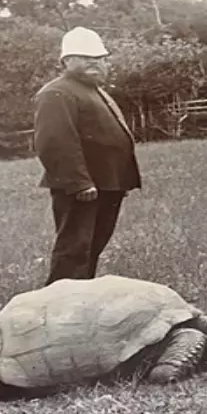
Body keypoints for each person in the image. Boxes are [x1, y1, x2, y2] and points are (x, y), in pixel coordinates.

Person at [33, 26, 141, 285]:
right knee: (73, 250)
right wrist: (79, 182)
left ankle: (82, 301)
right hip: (82, 187)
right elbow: (54, 142)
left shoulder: (93, 90)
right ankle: (60, 306)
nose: (95, 63)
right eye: (85, 58)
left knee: (92, 247)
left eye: (100, 58)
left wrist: (120, 180)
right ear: (67, 61)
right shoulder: (56, 92)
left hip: (107, 184)